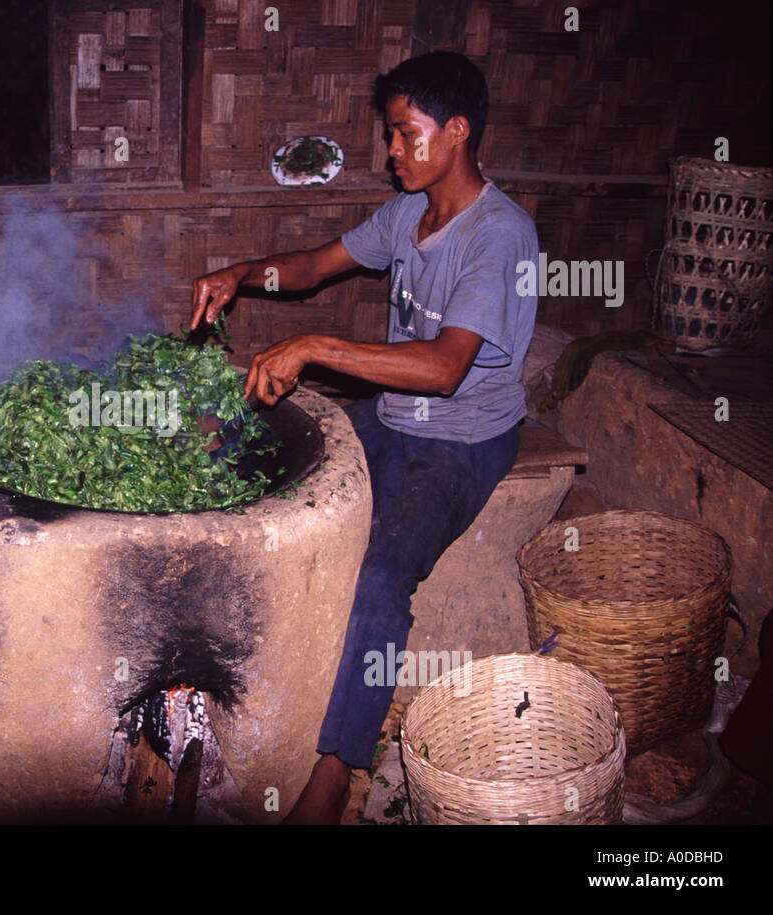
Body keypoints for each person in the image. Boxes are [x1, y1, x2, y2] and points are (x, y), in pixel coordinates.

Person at [189, 51, 539, 824]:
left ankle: (338, 769)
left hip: (463, 439)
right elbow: (314, 267)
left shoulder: (499, 237)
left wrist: (313, 348)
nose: (391, 152)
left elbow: (448, 367)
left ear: (456, 131)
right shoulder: (409, 216)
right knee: (255, 454)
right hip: (389, 417)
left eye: (402, 134)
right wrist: (240, 273)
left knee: (383, 575)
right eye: (389, 135)